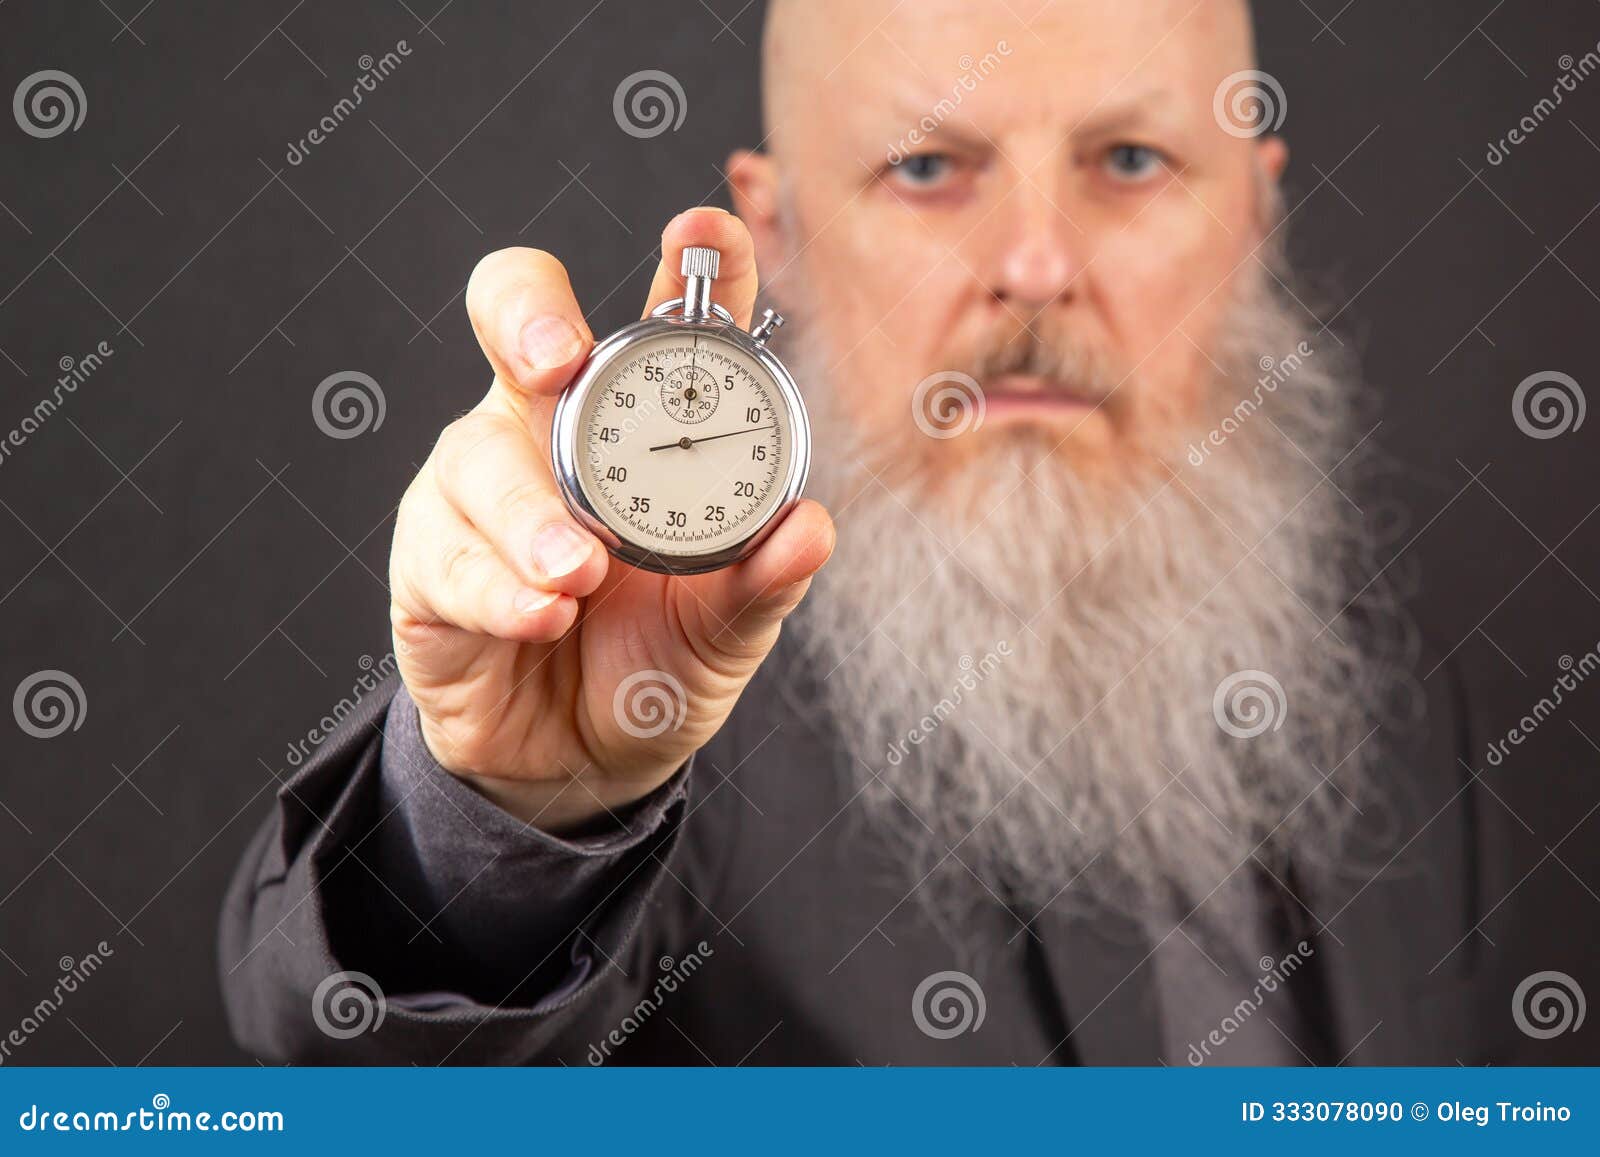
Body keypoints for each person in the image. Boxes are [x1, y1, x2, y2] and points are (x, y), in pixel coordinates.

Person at [219, 0, 1500, 1064]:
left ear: (1251, 210)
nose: (1039, 265)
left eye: (1129, 161)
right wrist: (508, 812)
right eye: (930, 168)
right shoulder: (656, 704)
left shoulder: (1393, 698)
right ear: (772, 234)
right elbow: (376, 1067)